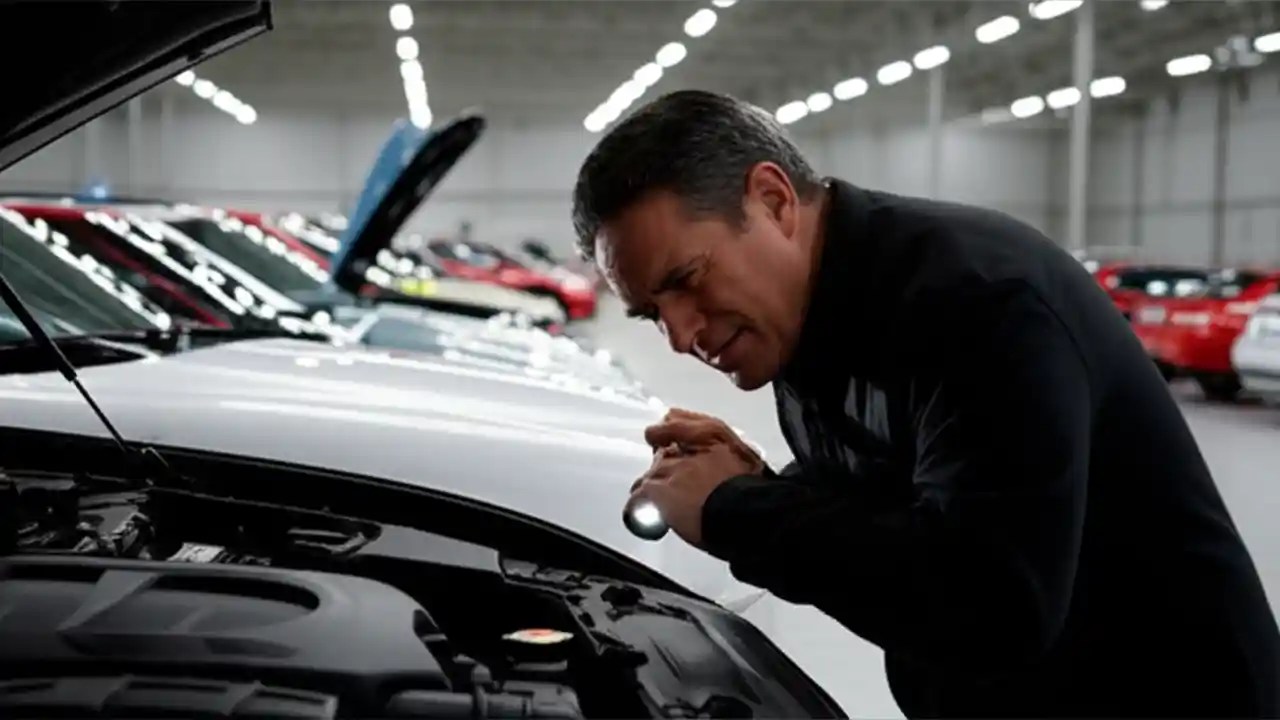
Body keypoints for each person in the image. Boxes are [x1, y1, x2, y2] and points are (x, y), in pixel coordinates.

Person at [570, 89, 1280, 718]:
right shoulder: (805, 322)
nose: (681, 334)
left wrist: (736, 510)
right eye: (649, 314)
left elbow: (993, 606)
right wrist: (754, 482)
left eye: (689, 279)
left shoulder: (979, 302)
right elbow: (892, 514)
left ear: (774, 201)